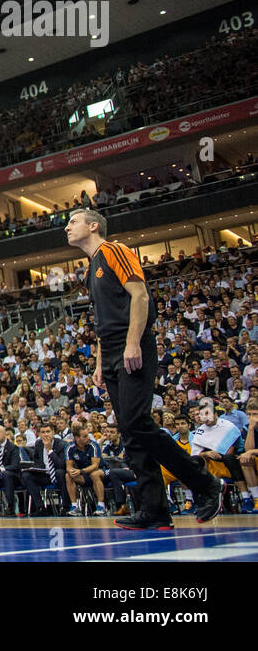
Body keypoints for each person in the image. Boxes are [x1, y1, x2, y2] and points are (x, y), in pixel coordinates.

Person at [65, 209, 221, 530]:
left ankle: (205, 484)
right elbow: (101, 320)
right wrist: (98, 362)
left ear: (93, 226)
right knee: (130, 433)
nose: (67, 227)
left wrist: (133, 342)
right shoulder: (90, 268)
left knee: (138, 421)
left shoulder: (115, 251)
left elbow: (140, 295)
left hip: (130, 344)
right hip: (109, 352)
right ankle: (155, 510)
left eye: (73, 221)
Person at [22, 422, 69, 516]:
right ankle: (40, 507)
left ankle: (65, 506)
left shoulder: (61, 444)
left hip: (58, 474)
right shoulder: (38, 443)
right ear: (39, 434)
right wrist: (35, 469)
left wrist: (50, 450)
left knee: (60, 472)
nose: (45, 434)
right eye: (43, 432)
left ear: (53, 432)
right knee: (26, 475)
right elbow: (37, 461)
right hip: (45, 475)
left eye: (48, 432)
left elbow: (61, 465)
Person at [65, 422, 107, 515]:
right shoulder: (69, 447)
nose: (88, 438)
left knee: (94, 474)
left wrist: (80, 471)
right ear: (77, 438)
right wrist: (72, 471)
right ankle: (74, 506)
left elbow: (95, 466)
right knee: (68, 476)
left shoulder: (94, 445)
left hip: (102, 471)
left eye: (87, 435)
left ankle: (101, 506)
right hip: (84, 474)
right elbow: (68, 466)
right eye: (84, 436)